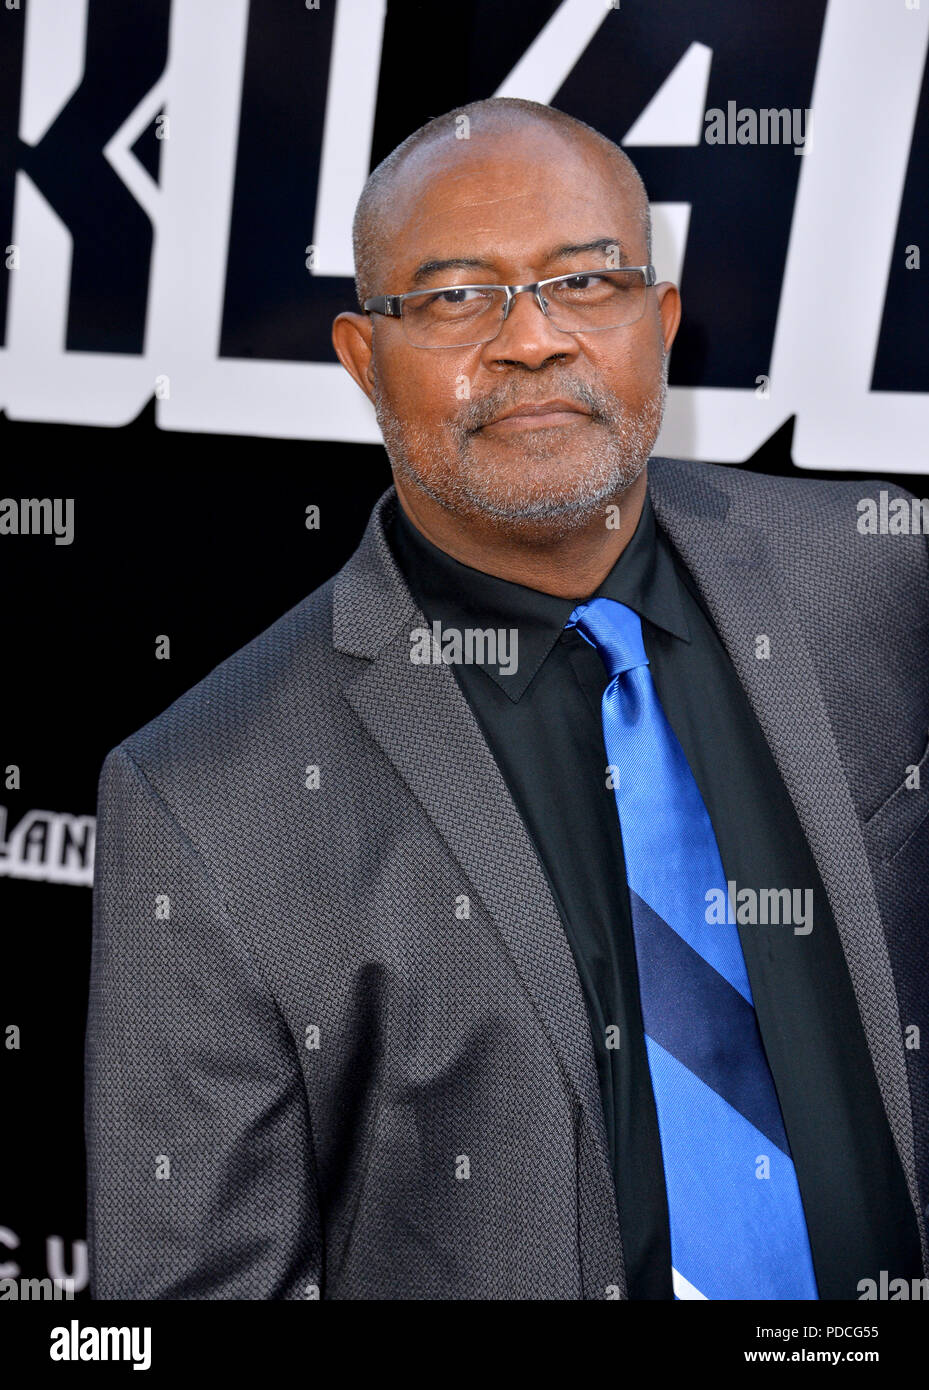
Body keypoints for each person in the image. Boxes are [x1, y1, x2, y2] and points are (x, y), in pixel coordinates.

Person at [85, 97, 929, 1300]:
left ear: (661, 318)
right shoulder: (210, 795)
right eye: (454, 297)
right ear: (361, 357)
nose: (533, 340)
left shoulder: (876, 569)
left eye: (586, 284)